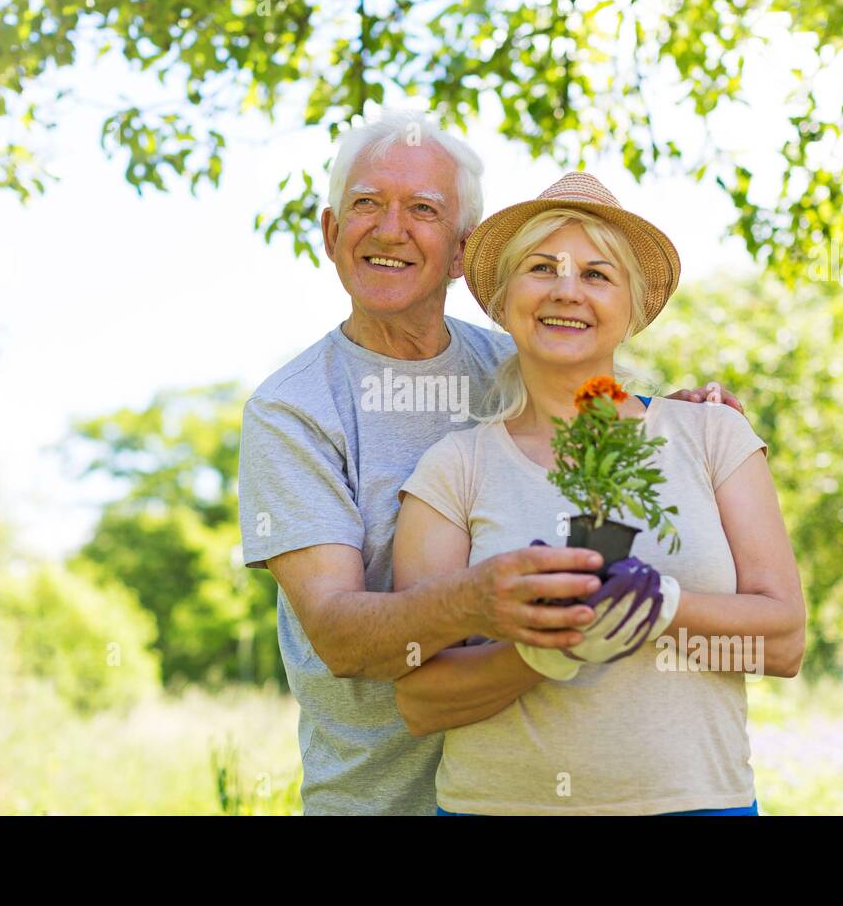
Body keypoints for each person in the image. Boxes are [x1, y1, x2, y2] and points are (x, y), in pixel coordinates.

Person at [238, 110, 746, 815]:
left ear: (459, 251)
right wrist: (482, 599)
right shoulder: (294, 410)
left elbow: (608, 413)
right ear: (330, 232)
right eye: (365, 205)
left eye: (422, 210)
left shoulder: (507, 361)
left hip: (519, 791)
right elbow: (338, 635)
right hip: (378, 797)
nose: (389, 230)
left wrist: (683, 419)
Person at [391, 172, 806, 815]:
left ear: (632, 310)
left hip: (696, 804)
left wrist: (662, 608)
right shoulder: (452, 471)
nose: (566, 290)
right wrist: (544, 653)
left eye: (597, 274)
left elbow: (782, 646)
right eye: (541, 267)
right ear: (503, 301)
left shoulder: (712, 435)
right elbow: (420, 699)